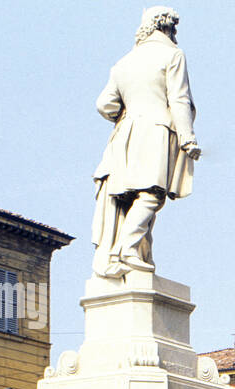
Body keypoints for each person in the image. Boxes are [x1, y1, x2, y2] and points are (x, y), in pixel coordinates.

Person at [92, 6, 202, 277]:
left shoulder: (123, 63)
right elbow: (179, 99)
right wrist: (187, 137)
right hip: (156, 131)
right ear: (165, 26)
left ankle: (134, 252)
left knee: (129, 197)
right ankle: (127, 249)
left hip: (125, 135)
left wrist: (125, 114)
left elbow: (104, 104)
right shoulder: (173, 55)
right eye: (173, 27)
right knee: (152, 193)